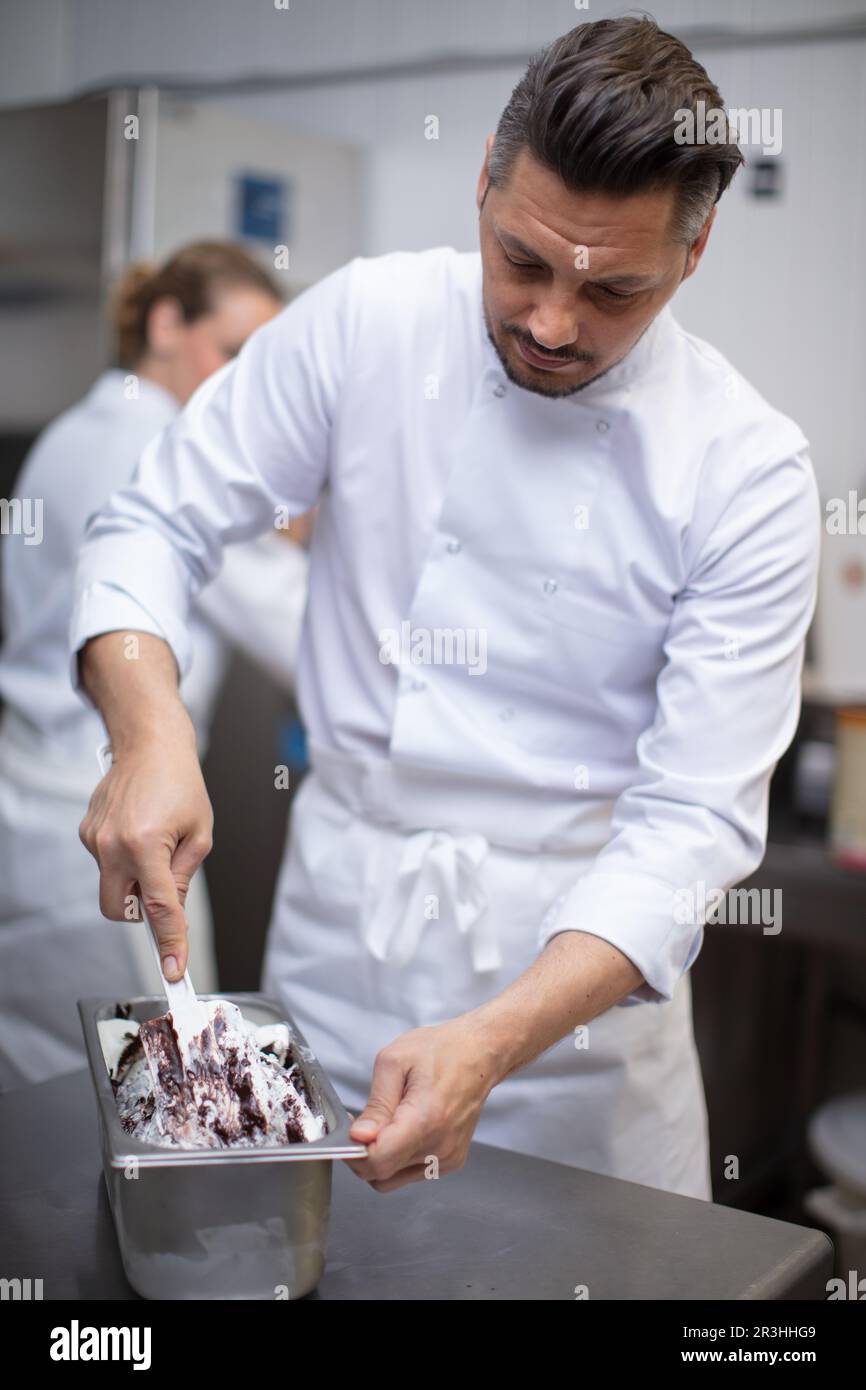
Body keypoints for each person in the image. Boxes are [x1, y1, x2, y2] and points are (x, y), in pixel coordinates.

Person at [70, 18, 820, 1199]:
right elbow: (148, 523)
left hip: (570, 1039)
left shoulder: (745, 467)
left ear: (695, 250)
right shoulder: (363, 322)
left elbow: (688, 828)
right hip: (332, 955)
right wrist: (151, 730)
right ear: (482, 175)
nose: (552, 322)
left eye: (613, 287)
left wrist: (493, 1039)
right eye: (521, 260)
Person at [0, 241, 311, 1089]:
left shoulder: (82, 427)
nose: (242, 381)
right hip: (109, 823)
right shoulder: (153, 447)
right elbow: (291, 623)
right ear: (168, 324)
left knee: (42, 1080)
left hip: (32, 801)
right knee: (150, 1088)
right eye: (234, 351)